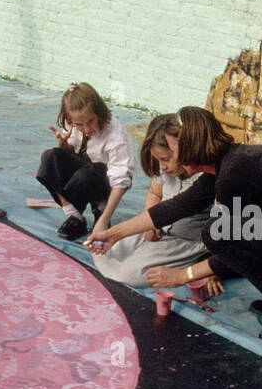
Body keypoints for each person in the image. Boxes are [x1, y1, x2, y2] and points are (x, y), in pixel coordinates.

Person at [87, 107, 262, 345]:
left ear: (192, 144)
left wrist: (182, 275)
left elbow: (230, 244)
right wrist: (111, 234)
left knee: (218, 233)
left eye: (168, 155)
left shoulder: (235, 173)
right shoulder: (227, 165)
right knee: (235, 231)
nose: (166, 167)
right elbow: (174, 207)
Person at [91, 113, 236, 294]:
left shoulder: (210, 177)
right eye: (158, 160)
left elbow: (233, 239)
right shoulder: (167, 169)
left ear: (184, 151)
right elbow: (155, 194)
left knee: (132, 273)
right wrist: (144, 226)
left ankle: (201, 261)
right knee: (109, 253)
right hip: (160, 229)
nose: (163, 167)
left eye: (166, 159)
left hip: (188, 241)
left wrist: (212, 270)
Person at [35, 82, 135, 241]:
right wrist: (63, 145)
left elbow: (120, 181)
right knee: (50, 157)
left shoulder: (116, 136)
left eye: (91, 121)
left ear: (99, 113)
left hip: (105, 181)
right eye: (79, 124)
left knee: (87, 174)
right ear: (70, 118)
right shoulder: (73, 122)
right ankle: (75, 217)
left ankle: (100, 210)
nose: (87, 129)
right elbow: (72, 156)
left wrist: (104, 219)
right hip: (83, 173)